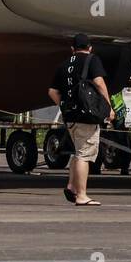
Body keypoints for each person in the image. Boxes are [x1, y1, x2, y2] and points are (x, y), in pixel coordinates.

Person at [48, 33, 114, 206]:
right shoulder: (92, 60)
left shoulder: (63, 65)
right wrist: (108, 107)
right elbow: (99, 83)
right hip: (86, 116)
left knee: (78, 152)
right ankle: (82, 195)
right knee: (84, 154)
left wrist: (63, 105)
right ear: (90, 48)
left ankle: (71, 186)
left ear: (72, 49)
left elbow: (52, 92)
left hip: (70, 116)